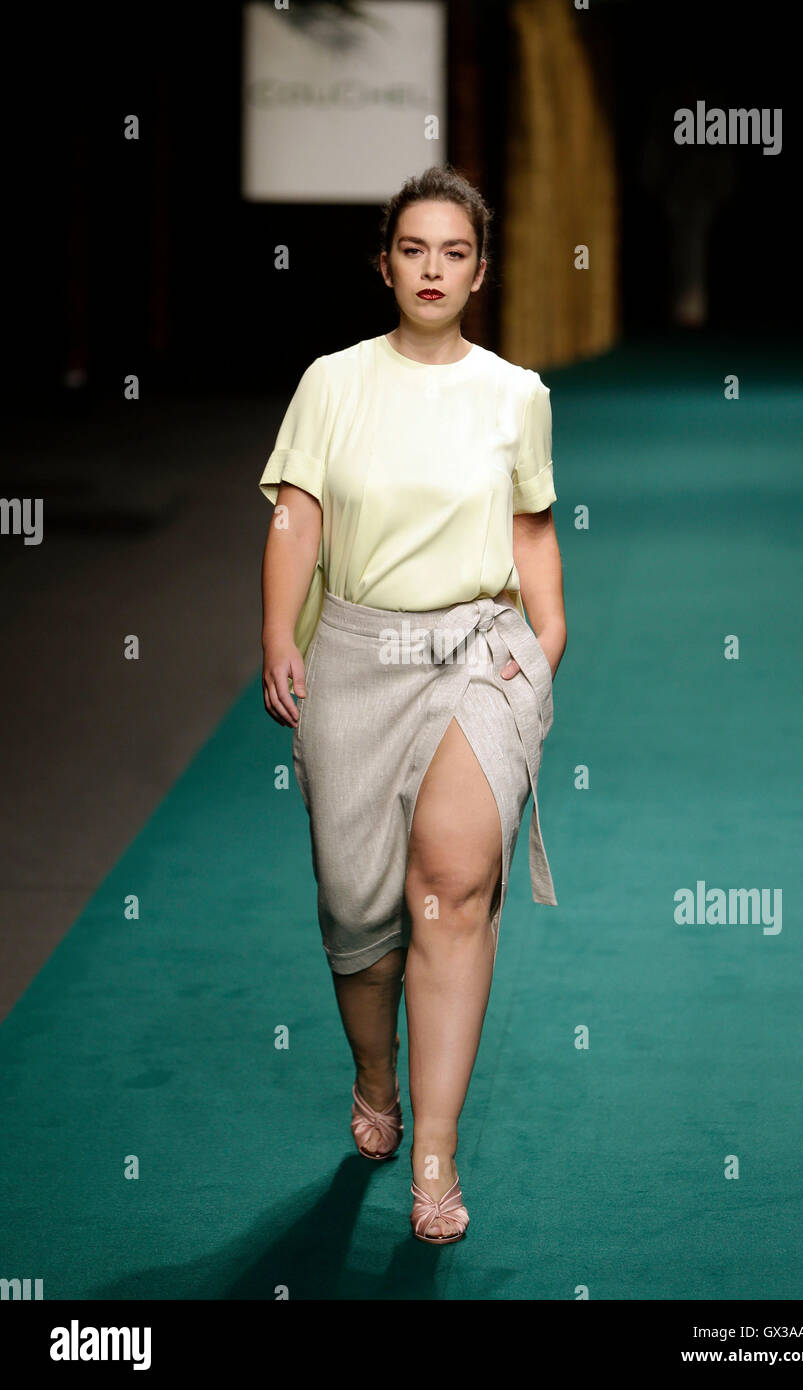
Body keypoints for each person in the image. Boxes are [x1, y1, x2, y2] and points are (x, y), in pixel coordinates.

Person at [259, 165, 566, 1243]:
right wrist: (272, 632)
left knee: (450, 881)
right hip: (351, 650)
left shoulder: (514, 393)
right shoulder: (333, 381)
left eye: (453, 252)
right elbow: (297, 514)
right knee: (360, 919)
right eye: (412, 249)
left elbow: (530, 526)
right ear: (385, 263)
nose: (431, 269)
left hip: (477, 650)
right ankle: (375, 1076)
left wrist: (546, 641)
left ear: (479, 272)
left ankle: (433, 1154)